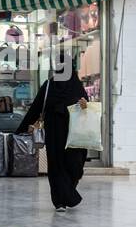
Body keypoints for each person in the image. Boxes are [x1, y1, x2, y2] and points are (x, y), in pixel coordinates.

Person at [20, 60, 90, 211]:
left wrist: (85, 104)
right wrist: (25, 127)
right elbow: (37, 106)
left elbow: (87, 107)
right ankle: (60, 201)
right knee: (56, 165)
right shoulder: (49, 86)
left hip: (75, 133)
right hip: (54, 133)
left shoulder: (76, 86)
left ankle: (67, 194)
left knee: (75, 165)